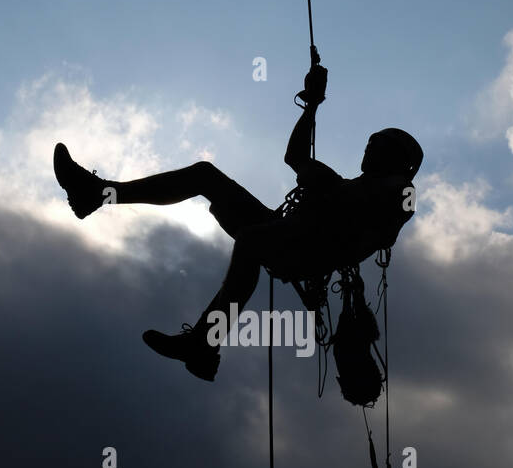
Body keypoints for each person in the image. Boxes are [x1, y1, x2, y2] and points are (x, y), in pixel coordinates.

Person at [53, 57, 422, 380]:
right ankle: (98, 194)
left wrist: (333, 189)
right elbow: (294, 158)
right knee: (204, 175)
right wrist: (311, 105)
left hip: (308, 248)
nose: (369, 146)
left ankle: (203, 342)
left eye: (380, 145)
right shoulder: (346, 185)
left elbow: (384, 216)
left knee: (252, 241)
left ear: (397, 162)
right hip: (288, 231)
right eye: (370, 141)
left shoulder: (396, 192)